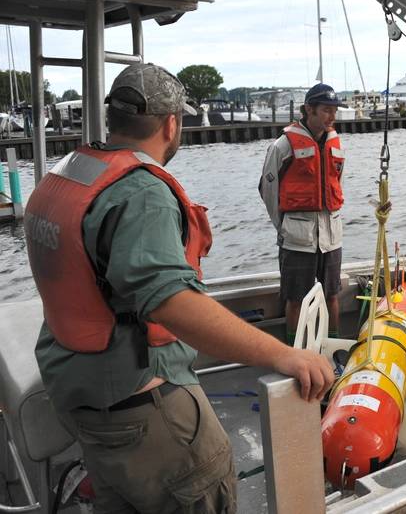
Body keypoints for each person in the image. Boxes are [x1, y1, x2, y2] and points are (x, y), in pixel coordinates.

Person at [25, 63, 334, 513]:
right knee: (202, 482)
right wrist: (283, 354)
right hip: (141, 404)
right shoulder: (141, 193)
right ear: (171, 124)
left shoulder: (67, 173)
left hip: (81, 398)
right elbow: (171, 302)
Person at [259, 83, 347, 344]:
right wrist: (284, 227)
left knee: (332, 294)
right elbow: (268, 189)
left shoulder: (336, 144)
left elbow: (337, 182)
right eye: (326, 110)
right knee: (295, 298)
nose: (331, 116)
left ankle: (333, 350)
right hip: (297, 238)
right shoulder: (283, 145)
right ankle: (294, 351)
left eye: (334, 111)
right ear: (309, 109)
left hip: (331, 236)